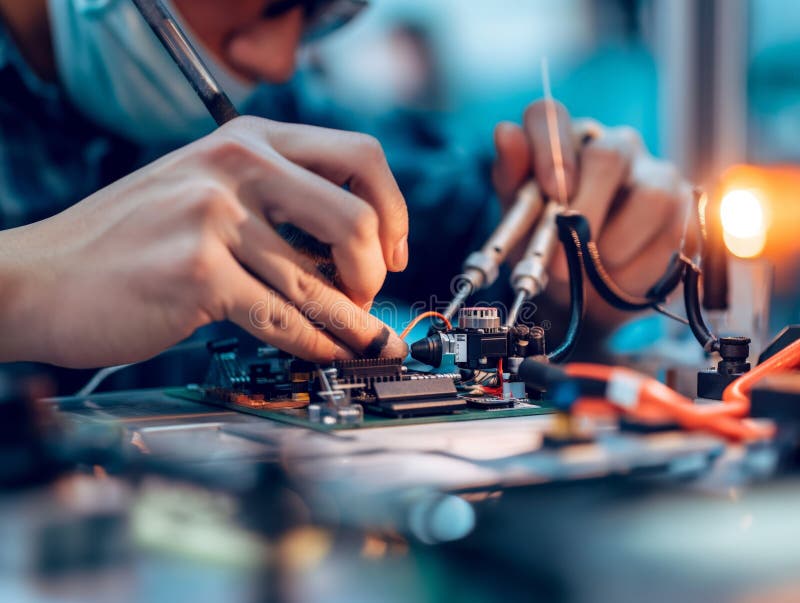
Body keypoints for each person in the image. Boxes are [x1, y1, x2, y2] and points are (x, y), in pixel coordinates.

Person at [0, 0, 687, 371]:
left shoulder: (283, 109)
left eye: (321, 15)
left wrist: (594, 252)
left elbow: (474, 230)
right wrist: (24, 287)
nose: (272, 59)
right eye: (270, 2)